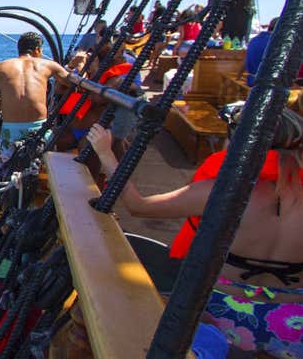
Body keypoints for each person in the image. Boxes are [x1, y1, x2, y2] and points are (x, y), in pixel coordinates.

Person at [86, 106, 303, 358]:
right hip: (293, 318)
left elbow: (138, 205)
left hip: (221, 312)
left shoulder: (223, 191)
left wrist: (105, 153)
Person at [0, 32, 70, 169]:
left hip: (10, 130)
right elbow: (72, 82)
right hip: (39, 129)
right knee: (41, 171)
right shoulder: (48, 65)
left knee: (7, 172)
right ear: (38, 49)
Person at [244, 17, 278, 86]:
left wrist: (237, 78)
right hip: (265, 84)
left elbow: (245, 62)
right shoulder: (276, 42)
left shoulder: (254, 40)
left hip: (251, 80)